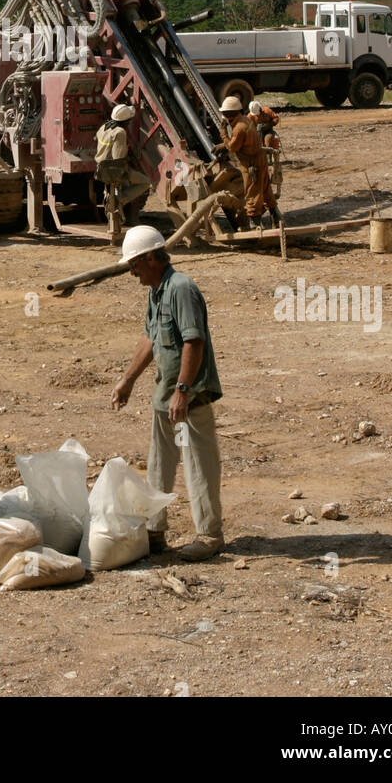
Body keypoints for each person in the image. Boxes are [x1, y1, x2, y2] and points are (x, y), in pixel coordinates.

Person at [110, 226, 224, 561]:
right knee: (159, 465)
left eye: (134, 264)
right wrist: (128, 379)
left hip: (190, 398)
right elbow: (150, 338)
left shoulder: (181, 289)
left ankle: (210, 536)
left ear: (151, 258)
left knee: (199, 465)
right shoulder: (156, 292)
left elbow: (193, 341)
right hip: (166, 397)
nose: (132, 272)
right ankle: (155, 531)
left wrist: (183, 391)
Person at [220, 95, 281, 229]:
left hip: (251, 164)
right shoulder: (246, 120)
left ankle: (254, 223)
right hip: (260, 159)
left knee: (252, 192)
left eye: (225, 113)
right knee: (265, 189)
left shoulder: (239, 128)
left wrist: (223, 134)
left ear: (229, 114)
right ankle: (276, 218)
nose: (224, 116)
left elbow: (233, 147)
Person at [94, 103, 150, 242]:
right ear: (125, 121)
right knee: (145, 182)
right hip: (113, 171)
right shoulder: (120, 132)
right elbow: (118, 157)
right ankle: (120, 200)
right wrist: (129, 156)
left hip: (101, 169)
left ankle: (115, 203)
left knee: (114, 191)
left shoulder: (104, 127)